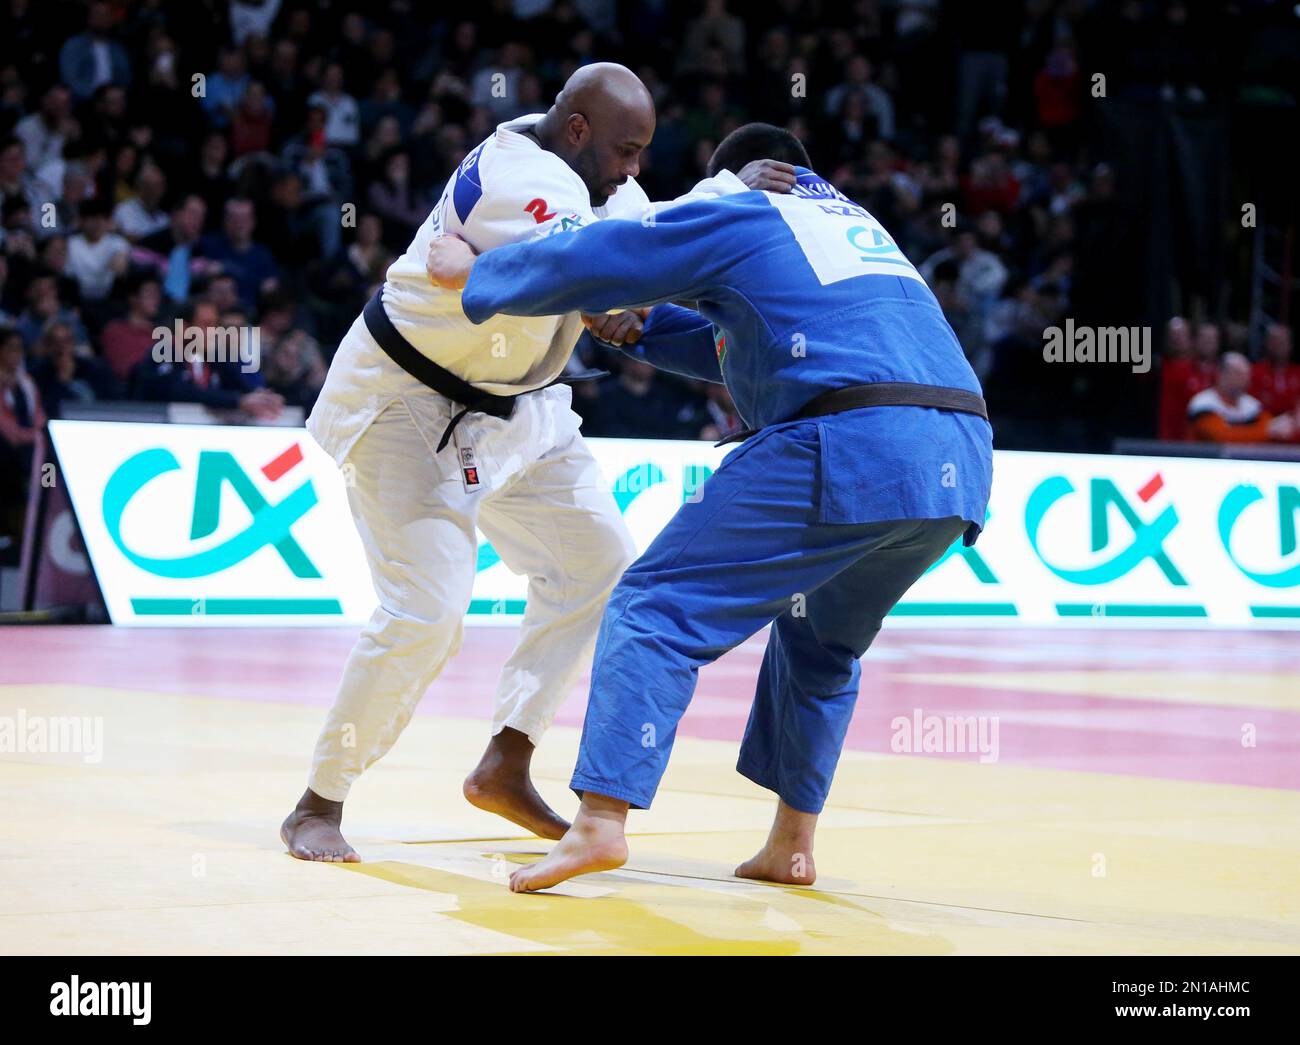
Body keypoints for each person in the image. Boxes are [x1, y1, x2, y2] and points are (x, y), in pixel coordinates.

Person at [427, 122, 994, 892]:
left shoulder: (742, 206)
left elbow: (610, 252)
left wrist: (482, 271)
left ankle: (599, 821)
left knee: (654, 602)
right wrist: (638, 327)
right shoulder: (854, 228)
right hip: (957, 459)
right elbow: (742, 338)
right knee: (819, 639)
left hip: (855, 437)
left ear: (737, 178)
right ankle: (792, 844)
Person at [278, 63, 660, 863]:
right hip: (409, 402)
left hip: (520, 407)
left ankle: (507, 758)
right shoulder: (523, 174)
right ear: (580, 131)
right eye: (626, 150)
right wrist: (610, 304)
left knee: (598, 561)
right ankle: (319, 800)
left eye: (643, 153)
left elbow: (635, 261)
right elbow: (588, 278)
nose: (635, 169)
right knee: (426, 612)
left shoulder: (594, 168)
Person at [1188, 352, 1297, 444]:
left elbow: (1274, 427)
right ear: (1221, 374)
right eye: (1238, 373)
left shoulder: (1252, 405)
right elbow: (1221, 437)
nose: (1245, 379)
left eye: (1246, 374)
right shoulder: (1203, 402)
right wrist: (1267, 433)